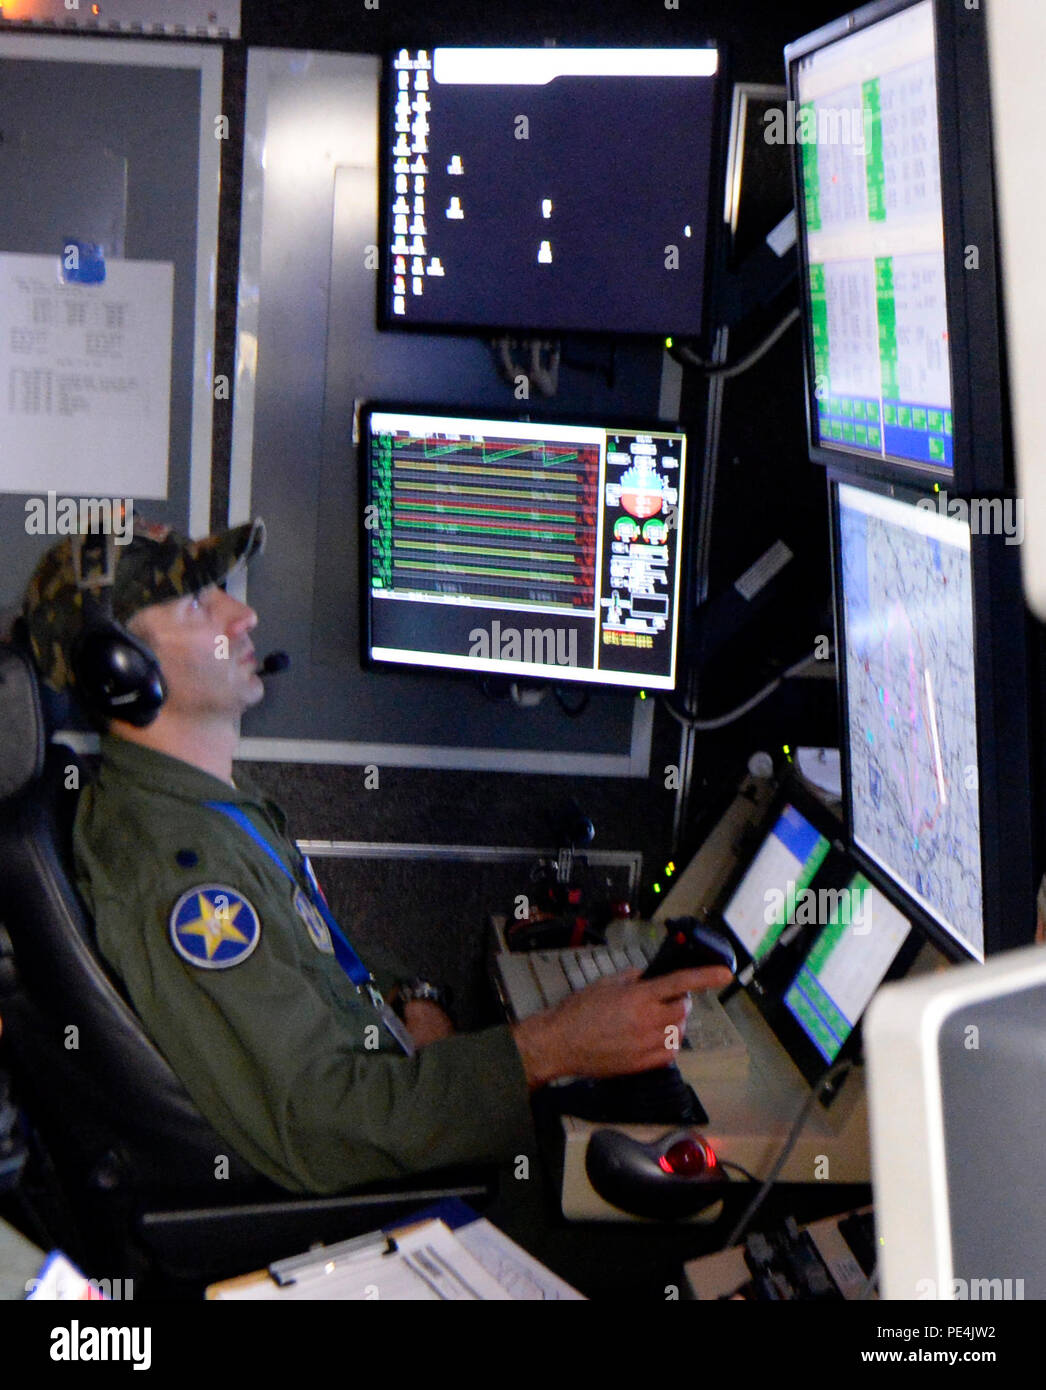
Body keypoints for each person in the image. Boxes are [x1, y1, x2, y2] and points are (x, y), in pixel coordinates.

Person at [21, 517, 730, 1195]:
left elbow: (316, 958)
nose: (244, 617)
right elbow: (321, 1123)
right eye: (201, 604)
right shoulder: (181, 872)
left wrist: (409, 996)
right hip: (374, 1191)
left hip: (403, 1107)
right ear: (120, 668)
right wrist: (550, 1050)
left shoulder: (211, 805)